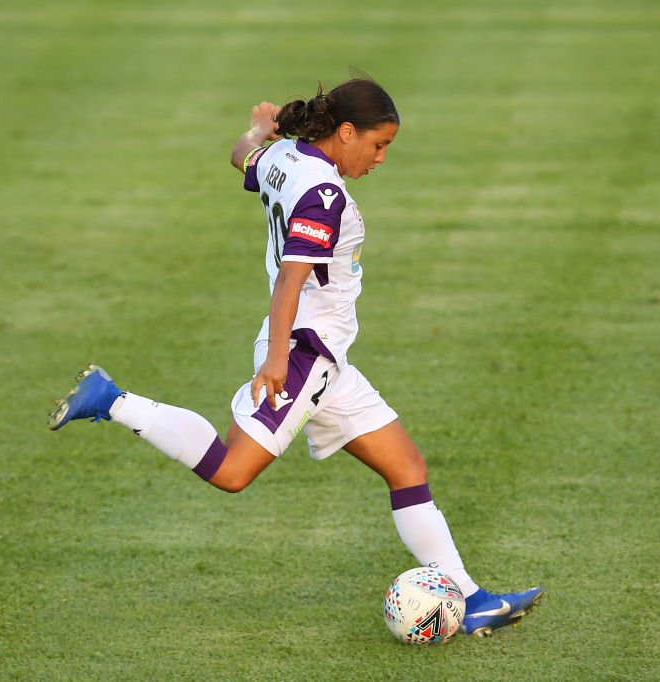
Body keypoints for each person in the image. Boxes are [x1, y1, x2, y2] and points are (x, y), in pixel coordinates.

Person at [48, 78, 543, 637]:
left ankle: (471, 598)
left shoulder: (284, 156)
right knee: (233, 472)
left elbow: (242, 156)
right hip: (303, 354)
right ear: (347, 131)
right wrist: (278, 359)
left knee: (407, 470)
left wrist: (259, 131)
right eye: (378, 145)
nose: (381, 159)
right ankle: (112, 401)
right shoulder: (324, 195)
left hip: (326, 359)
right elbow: (290, 280)